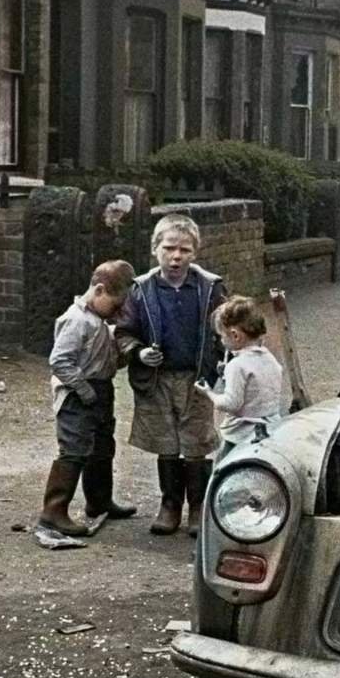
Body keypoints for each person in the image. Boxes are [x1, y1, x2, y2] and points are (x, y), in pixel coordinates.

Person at [117, 213, 226, 536]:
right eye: (169, 249)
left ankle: (197, 506)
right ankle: (169, 505)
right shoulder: (142, 289)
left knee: (196, 442)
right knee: (166, 441)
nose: (176, 257)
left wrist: (218, 363)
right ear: (155, 249)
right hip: (158, 379)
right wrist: (138, 352)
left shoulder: (209, 287)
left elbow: (226, 328)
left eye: (184, 250)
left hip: (197, 378)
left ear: (195, 253)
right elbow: (124, 332)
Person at [40, 259, 133, 548]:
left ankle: (99, 501)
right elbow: (60, 362)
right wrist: (83, 390)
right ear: (100, 290)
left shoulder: (101, 321)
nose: (118, 312)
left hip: (101, 389)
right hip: (76, 394)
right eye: (116, 305)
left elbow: (107, 360)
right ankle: (53, 511)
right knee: (74, 449)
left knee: (103, 446)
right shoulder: (76, 320)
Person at [208, 295, 289, 426]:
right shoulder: (269, 358)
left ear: (235, 335)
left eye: (221, 336)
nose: (221, 341)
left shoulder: (236, 365)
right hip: (272, 425)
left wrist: (209, 393)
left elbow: (231, 404)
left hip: (243, 432)